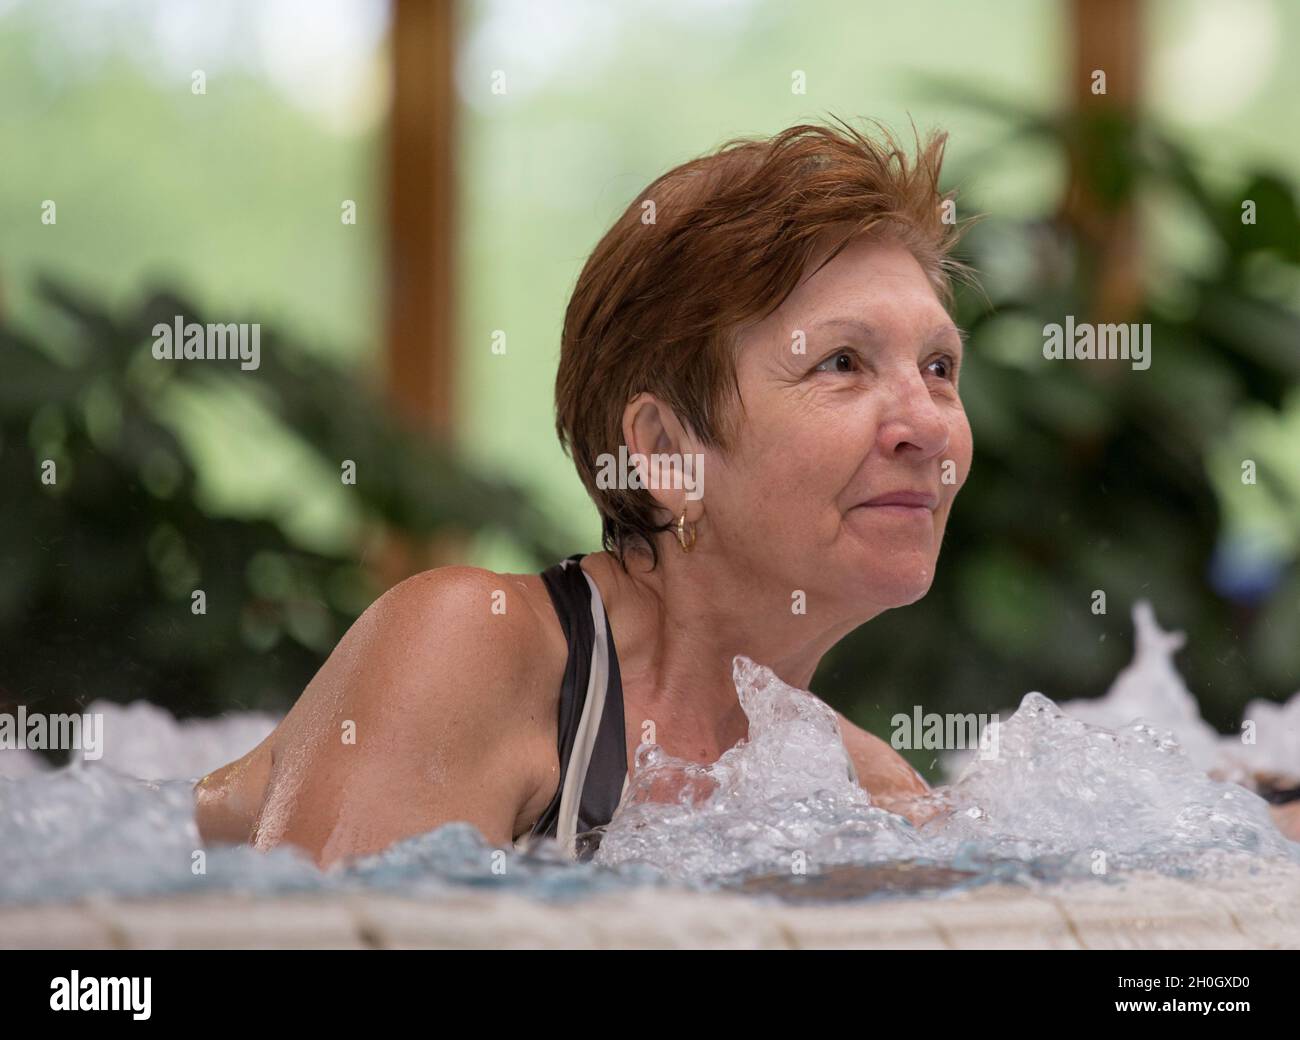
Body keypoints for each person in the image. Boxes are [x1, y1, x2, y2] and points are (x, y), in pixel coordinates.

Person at [194, 119, 971, 868]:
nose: (927, 427)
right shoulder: (468, 649)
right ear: (668, 454)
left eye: (939, 367)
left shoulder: (868, 797)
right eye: (841, 363)